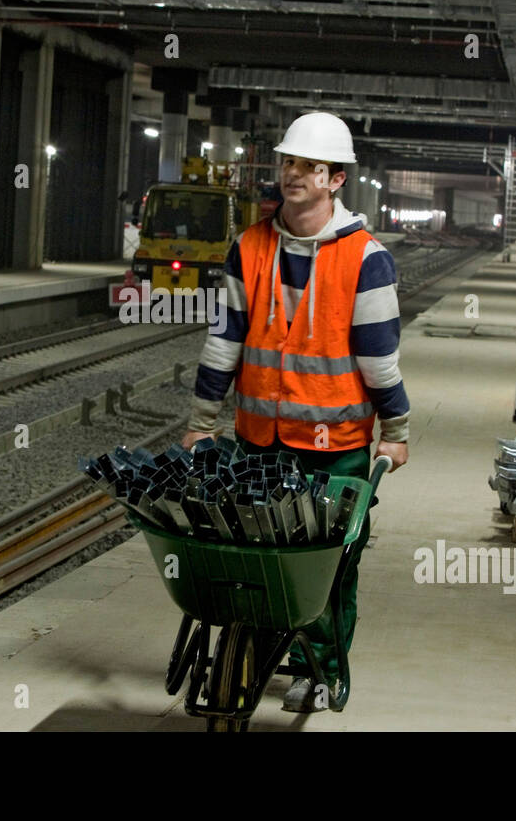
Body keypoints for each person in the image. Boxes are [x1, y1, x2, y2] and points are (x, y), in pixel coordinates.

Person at [180, 111, 410, 713]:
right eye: (289, 163)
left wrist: (398, 430)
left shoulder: (366, 258)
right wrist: (203, 422)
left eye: (309, 166)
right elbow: (223, 342)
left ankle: (321, 668)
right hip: (257, 439)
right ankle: (252, 654)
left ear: (336, 179)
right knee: (255, 562)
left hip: (335, 446)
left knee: (326, 569)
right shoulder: (250, 247)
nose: (294, 175)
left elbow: (380, 359)